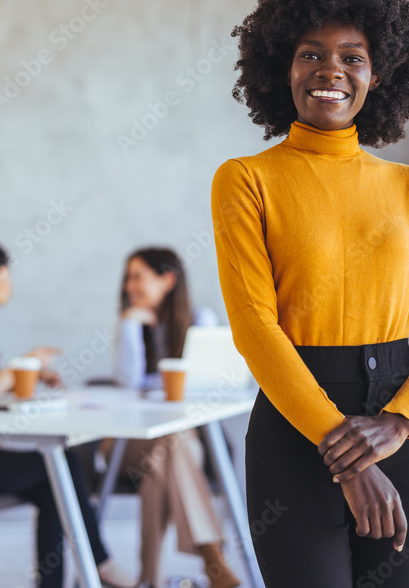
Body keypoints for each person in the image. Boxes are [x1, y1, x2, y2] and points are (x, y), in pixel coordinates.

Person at [211, 0, 409, 588]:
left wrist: (398, 421)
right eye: (311, 54)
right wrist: (347, 455)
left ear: (379, 74)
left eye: (353, 57)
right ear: (283, 67)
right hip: (294, 422)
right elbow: (254, 326)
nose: (332, 70)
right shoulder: (245, 179)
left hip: (400, 425)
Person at [0, 239, 137, 588]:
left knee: (55, 488)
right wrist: (25, 365)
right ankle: (101, 563)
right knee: (60, 465)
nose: (9, 282)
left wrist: (26, 378)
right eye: (4, 273)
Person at [110, 247, 240, 588]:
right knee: (171, 444)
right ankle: (213, 558)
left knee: (162, 462)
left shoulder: (200, 322)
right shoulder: (131, 325)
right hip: (129, 441)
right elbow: (127, 384)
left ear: (167, 280)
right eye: (128, 277)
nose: (129, 286)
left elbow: (209, 385)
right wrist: (128, 326)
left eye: (138, 276)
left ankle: (149, 580)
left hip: (179, 441)